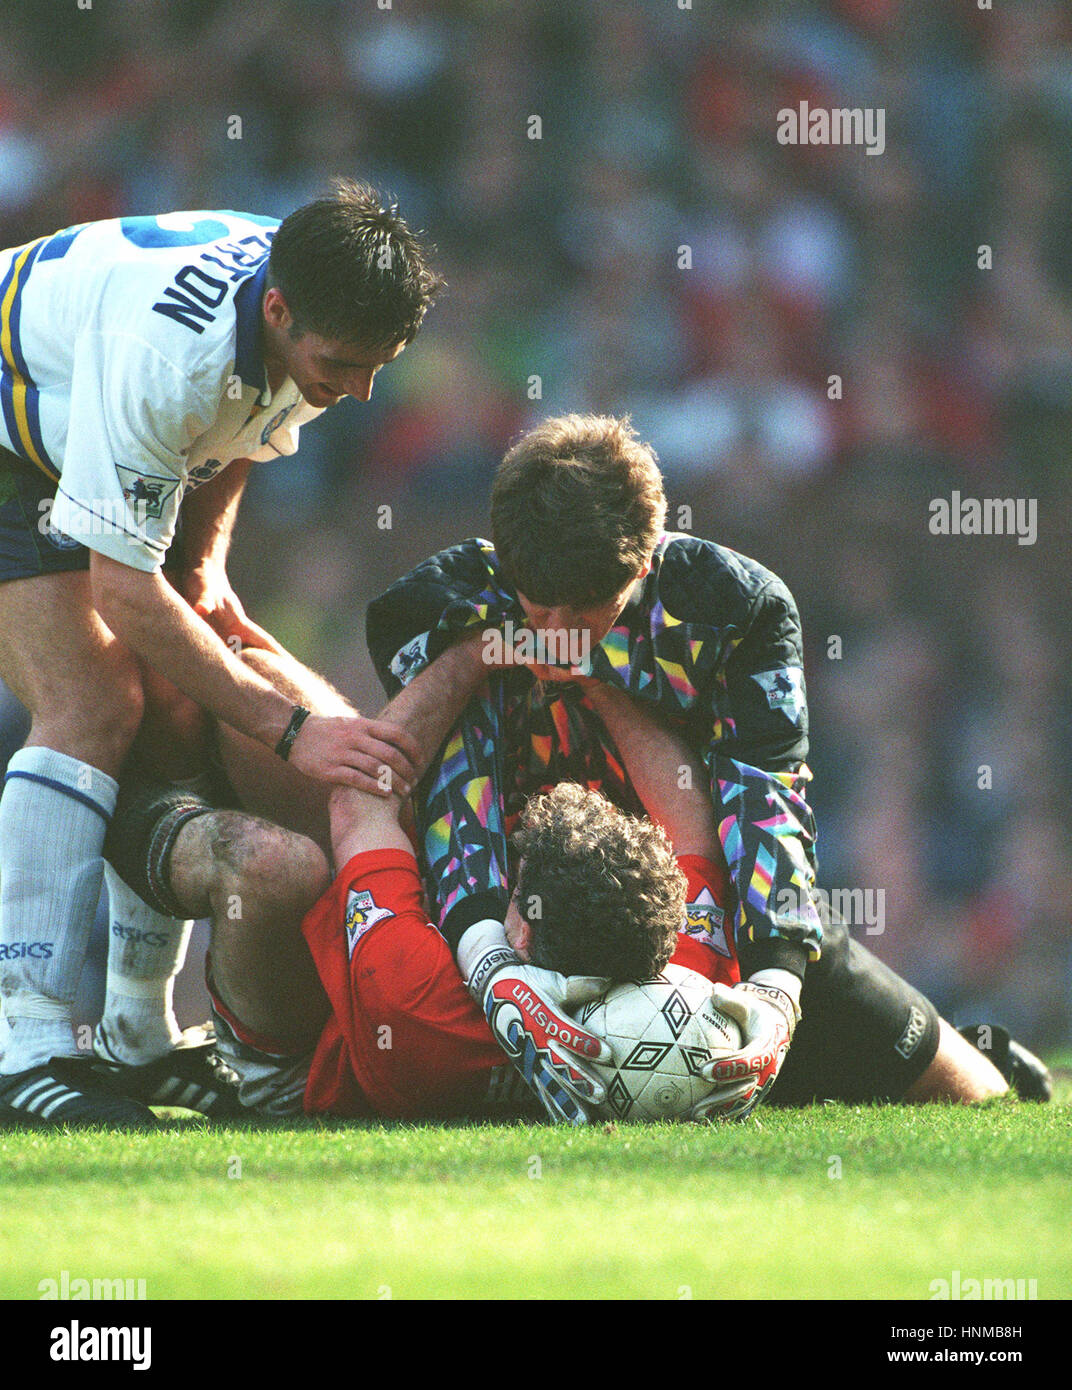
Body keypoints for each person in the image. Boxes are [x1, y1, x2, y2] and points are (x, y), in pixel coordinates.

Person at [365, 413, 1047, 1120]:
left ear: (643, 562)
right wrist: (494, 967)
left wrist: (776, 992)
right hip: (521, 918)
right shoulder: (438, 606)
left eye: (587, 612)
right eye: (538, 608)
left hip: (717, 903)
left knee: (976, 1096)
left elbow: (768, 805)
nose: (556, 634)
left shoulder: (737, 608)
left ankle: (952, 1049)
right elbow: (454, 799)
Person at [0, 179, 439, 1127]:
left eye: (381, 367)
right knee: (96, 703)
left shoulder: (310, 316)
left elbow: (193, 567)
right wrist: (291, 733)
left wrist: (243, 650)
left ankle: (136, 1037)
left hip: (85, 399)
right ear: (277, 311)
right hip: (8, 432)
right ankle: (23, 1050)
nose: (360, 390)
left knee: (177, 685)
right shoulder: (170, 356)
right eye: (344, 366)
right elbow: (125, 589)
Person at [96, 631, 739, 1122]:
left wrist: (476, 652)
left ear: (517, 930)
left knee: (271, 862)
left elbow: (358, 801)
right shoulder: (685, 987)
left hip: (311, 1047)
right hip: (398, 968)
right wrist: (594, 681)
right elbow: (692, 825)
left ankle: (97, 803)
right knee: (242, 671)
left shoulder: (421, 999)